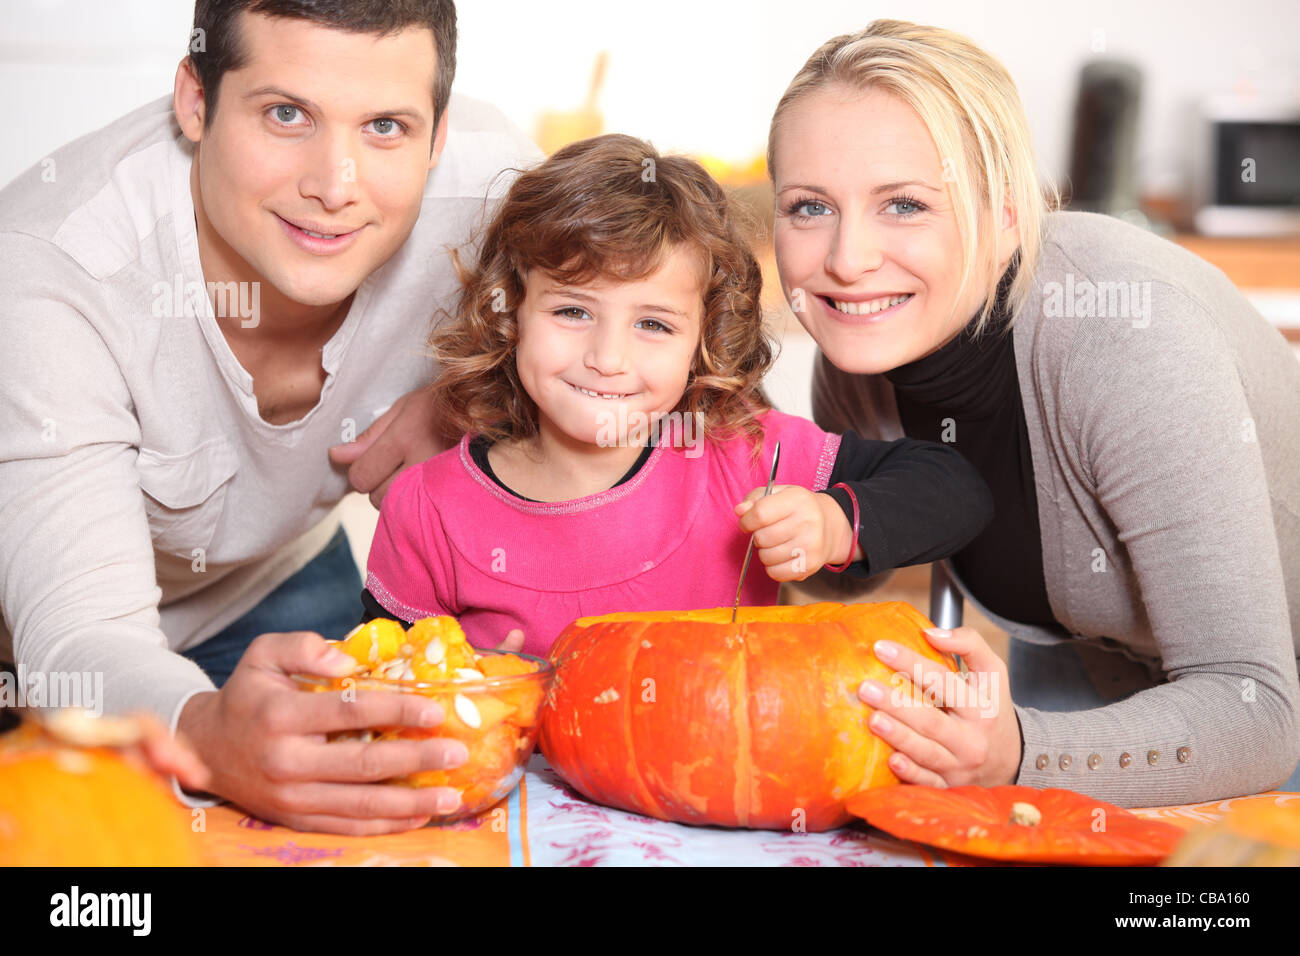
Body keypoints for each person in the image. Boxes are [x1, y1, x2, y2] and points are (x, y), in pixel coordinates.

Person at [0, 0, 542, 833]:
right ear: (195, 101)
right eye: (286, 114)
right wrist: (209, 737)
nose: (334, 185)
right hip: (37, 647)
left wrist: (481, 390)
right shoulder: (50, 269)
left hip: (272, 579)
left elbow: (637, 352)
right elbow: (77, 640)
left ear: (438, 138)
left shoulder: (497, 190)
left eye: (387, 127)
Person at [767, 19, 1300, 805]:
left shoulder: (1125, 338)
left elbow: (1254, 712)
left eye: (905, 204)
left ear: (1009, 214)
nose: (847, 260)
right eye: (810, 207)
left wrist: (1023, 749)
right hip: (1089, 666)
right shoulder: (862, 347)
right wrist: (757, 481)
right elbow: (847, 573)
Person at [359, 134, 995, 662]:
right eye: (573, 310)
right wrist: (462, 684)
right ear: (511, 312)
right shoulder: (428, 508)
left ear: (702, 340)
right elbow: (384, 687)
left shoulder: (742, 452)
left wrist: (836, 523)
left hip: (717, 789)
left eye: (654, 324)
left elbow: (956, 488)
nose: (608, 358)